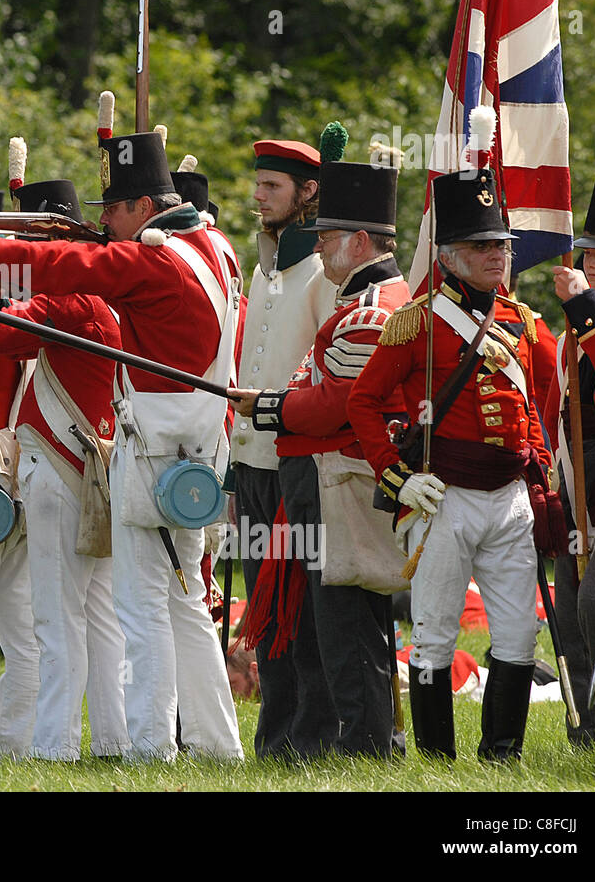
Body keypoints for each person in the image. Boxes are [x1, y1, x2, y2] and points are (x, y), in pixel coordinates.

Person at [0, 124, 243, 762]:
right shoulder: (216, 248)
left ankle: (148, 750)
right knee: (182, 604)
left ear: (143, 207)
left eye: (112, 207)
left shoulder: (156, 259)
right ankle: (216, 743)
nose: (105, 221)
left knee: (142, 612)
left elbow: (58, 267)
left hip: (154, 449)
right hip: (195, 447)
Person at [347, 166, 555, 763]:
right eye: (482, 247)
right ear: (450, 255)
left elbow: (535, 406)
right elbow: (363, 401)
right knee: (435, 631)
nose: (497, 257)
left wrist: (539, 482)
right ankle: (438, 760)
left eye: (502, 247)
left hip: (509, 495)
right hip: (446, 495)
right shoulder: (417, 322)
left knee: (518, 632)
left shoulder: (520, 322)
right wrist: (398, 475)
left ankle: (502, 755)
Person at [233, 126, 407, 757]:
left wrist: (275, 409)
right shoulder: (287, 274)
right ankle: (308, 735)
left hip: (322, 466)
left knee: (326, 615)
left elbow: (333, 394)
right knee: (294, 611)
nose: (259, 196)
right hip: (278, 461)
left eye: (272, 185)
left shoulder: (350, 297)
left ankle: (337, 736)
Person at [229, 134, 337, 759]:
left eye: (272, 186)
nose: (259, 196)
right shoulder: (261, 265)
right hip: (252, 464)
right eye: (259, 184)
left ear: (308, 192)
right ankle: (277, 736)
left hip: (300, 464)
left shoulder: (323, 271)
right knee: (263, 604)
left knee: (301, 606)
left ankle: (311, 735)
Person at [546, 98, 595, 745]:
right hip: (582, 475)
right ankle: (590, 726)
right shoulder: (587, 315)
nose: (590, 260)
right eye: (587, 250)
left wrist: (589, 316)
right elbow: (568, 403)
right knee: (573, 607)